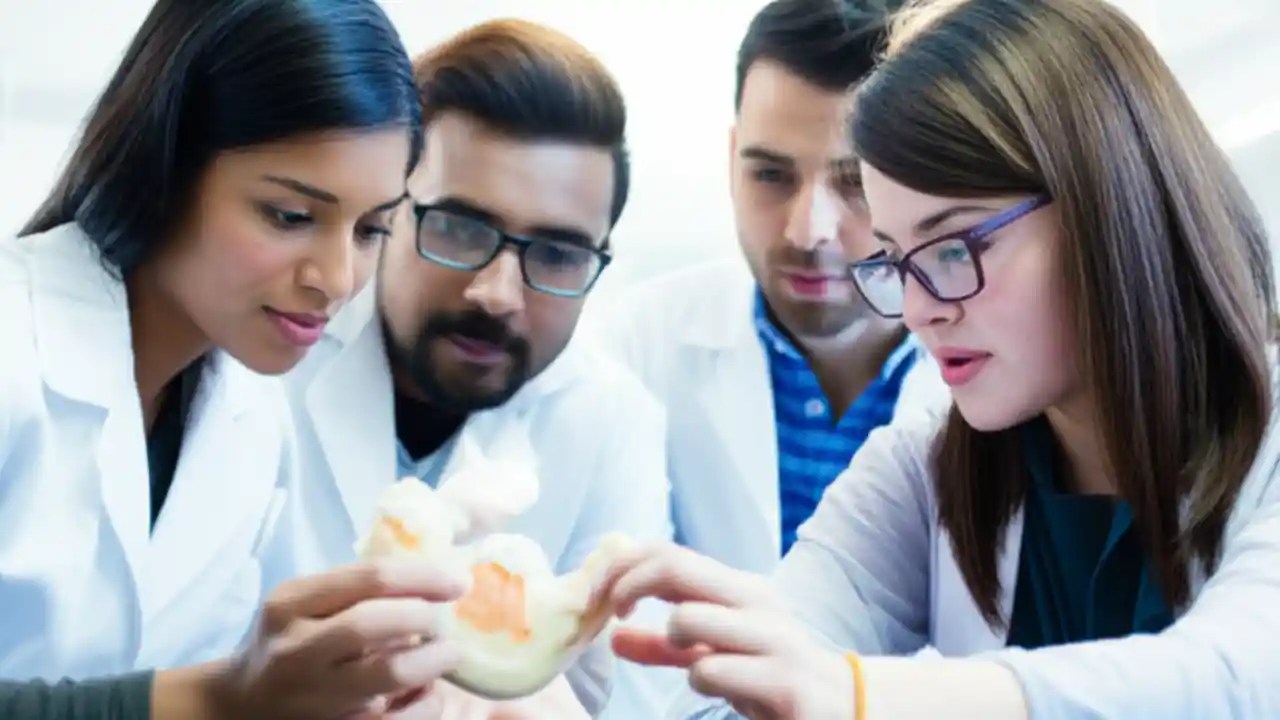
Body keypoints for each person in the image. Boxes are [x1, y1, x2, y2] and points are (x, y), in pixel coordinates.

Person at [597, 0, 1280, 718]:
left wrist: (856, 693)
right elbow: (749, 691)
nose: (919, 311)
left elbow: (1240, 679)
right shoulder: (923, 471)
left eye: (954, 248)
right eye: (896, 260)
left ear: (1105, 204)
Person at [0, 1, 470, 717]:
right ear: (164, 163)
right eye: (290, 216)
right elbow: (200, 695)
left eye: (372, 229)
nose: (337, 279)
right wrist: (221, 699)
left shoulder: (250, 420)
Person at [265, 18, 672, 719]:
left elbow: (625, 698)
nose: (497, 294)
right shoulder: (267, 358)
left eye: (558, 254)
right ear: (389, 209)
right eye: (459, 227)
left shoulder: (612, 421)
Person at [587, 0, 946, 577]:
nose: (807, 231)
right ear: (733, 159)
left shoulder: (998, 368)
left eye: (855, 181)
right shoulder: (631, 346)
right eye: (771, 175)